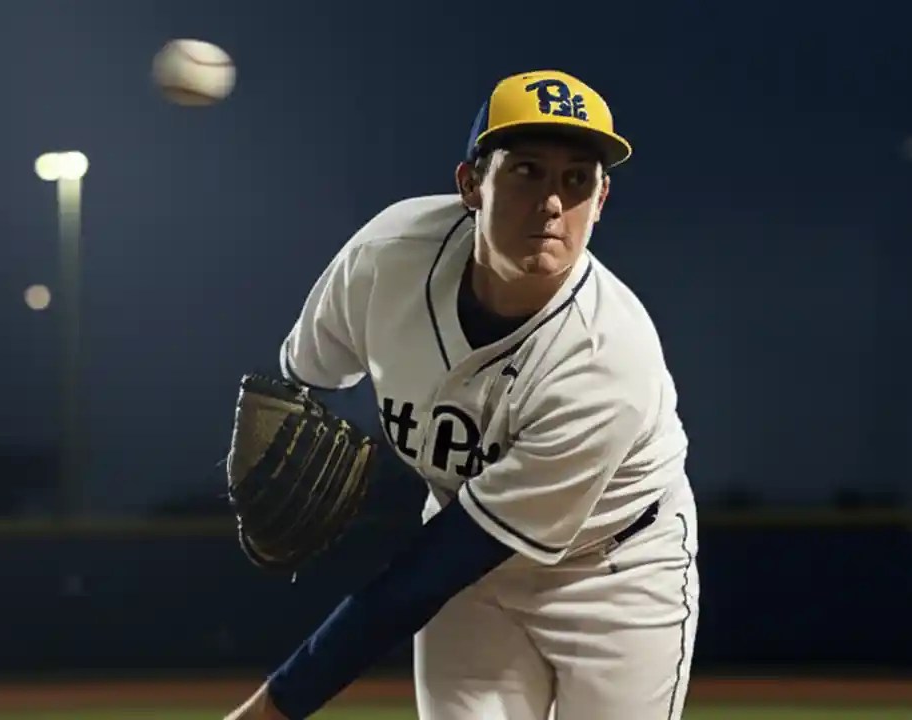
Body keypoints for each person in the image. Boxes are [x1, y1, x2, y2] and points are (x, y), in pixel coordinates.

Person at [225, 69, 700, 720]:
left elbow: (433, 573)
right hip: (469, 568)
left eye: (576, 179)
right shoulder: (387, 258)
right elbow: (299, 378)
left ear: (602, 199)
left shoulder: (607, 359)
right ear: (471, 184)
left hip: (616, 574)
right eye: (527, 170)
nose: (553, 202)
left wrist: (272, 708)